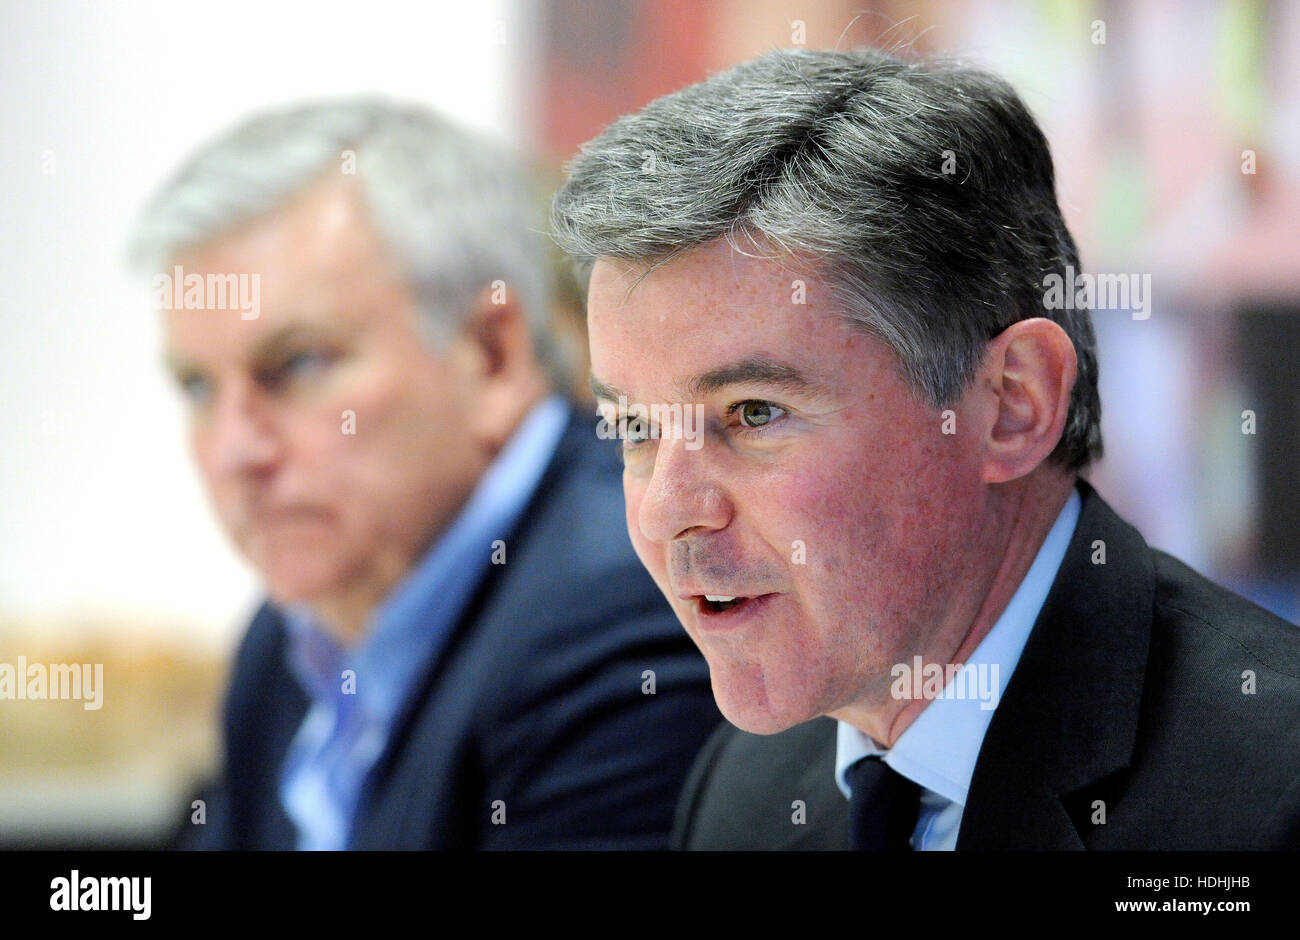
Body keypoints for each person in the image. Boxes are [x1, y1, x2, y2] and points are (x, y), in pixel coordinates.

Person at [550, 47, 1300, 850]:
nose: (666, 513)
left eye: (753, 412)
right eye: (634, 428)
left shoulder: (1270, 793)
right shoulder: (746, 791)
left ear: (1013, 404)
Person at [131, 99, 720, 850]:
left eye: (298, 365)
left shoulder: (619, 612)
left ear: (490, 352)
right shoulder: (293, 634)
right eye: (199, 389)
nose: (234, 451)